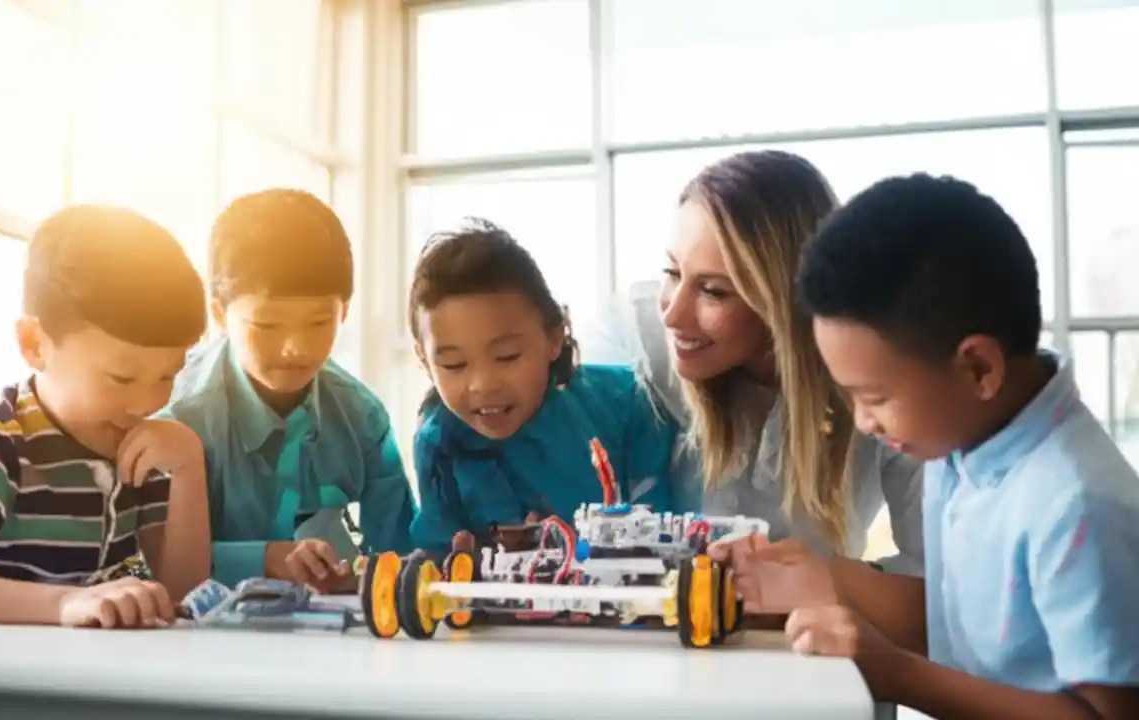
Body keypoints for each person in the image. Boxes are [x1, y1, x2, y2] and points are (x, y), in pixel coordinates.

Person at [728, 173, 1139, 719]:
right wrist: (824, 579)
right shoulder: (965, 436)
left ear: (978, 367)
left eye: (873, 396)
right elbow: (966, 625)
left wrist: (897, 673)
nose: (863, 421)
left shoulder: (1077, 506)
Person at [595, 151, 922, 572]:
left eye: (713, 291)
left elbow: (936, 571)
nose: (672, 315)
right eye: (673, 272)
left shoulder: (877, 383)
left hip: (799, 634)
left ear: (784, 302)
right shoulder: (636, 339)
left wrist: (825, 581)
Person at [0, 205, 211, 628]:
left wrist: (188, 468)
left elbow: (181, 593)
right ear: (34, 344)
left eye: (168, 375)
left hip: (71, 676)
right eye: (121, 377)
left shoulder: (144, 444)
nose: (145, 402)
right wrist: (66, 603)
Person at [165, 189, 415, 590]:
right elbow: (144, 560)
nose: (295, 347)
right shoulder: (177, 416)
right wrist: (265, 559)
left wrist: (361, 574)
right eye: (266, 325)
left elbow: (399, 553)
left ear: (344, 311)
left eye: (318, 323)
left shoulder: (361, 417)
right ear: (219, 314)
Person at [407, 219, 674, 556]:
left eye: (506, 356)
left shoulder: (631, 406)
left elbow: (663, 536)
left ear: (553, 337)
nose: (482, 385)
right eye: (453, 365)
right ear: (423, 360)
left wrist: (571, 550)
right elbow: (434, 556)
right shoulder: (437, 441)